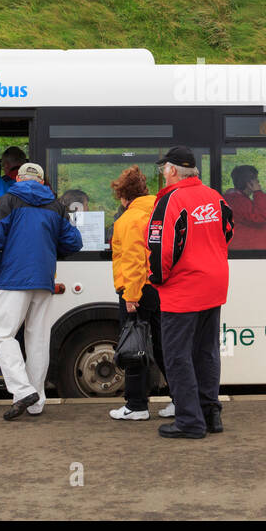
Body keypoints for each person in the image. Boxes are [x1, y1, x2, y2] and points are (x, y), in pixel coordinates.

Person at [0, 162, 82, 420]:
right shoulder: (56, 205)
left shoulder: (9, 200)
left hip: (13, 279)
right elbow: (74, 242)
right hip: (43, 279)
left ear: (18, 178)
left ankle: (23, 389)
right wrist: (49, 251)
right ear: (41, 181)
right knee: (37, 339)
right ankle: (36, 403)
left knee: (3, 335)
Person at [146, 146, 233, 439]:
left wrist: (156, 280)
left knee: (177, 356)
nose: (162, 175)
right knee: (206, 351)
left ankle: (188, 421)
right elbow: (228, 231)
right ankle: (211, 415)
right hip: (214, 285)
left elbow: (159, 249)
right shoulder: (214, 197)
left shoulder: (170, 201)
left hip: (182, 290)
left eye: (163, 169)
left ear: (172, 170)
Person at [106, 166, 172, 421]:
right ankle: (179, 399)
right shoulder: (158, 213)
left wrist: (131, 296)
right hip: (158, 288)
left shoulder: (129, 219)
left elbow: (133, 261)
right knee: (162, 345)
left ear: (124, 197)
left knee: (134, 345)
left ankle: (136, 405)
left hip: (137, 290)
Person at [223, 165, 266, 249]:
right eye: (256, 180)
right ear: (249, 183)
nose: (258, 183)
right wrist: (258, 192)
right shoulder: (236, 201)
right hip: (248, 252)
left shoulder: (238, 200)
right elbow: (259, 217)